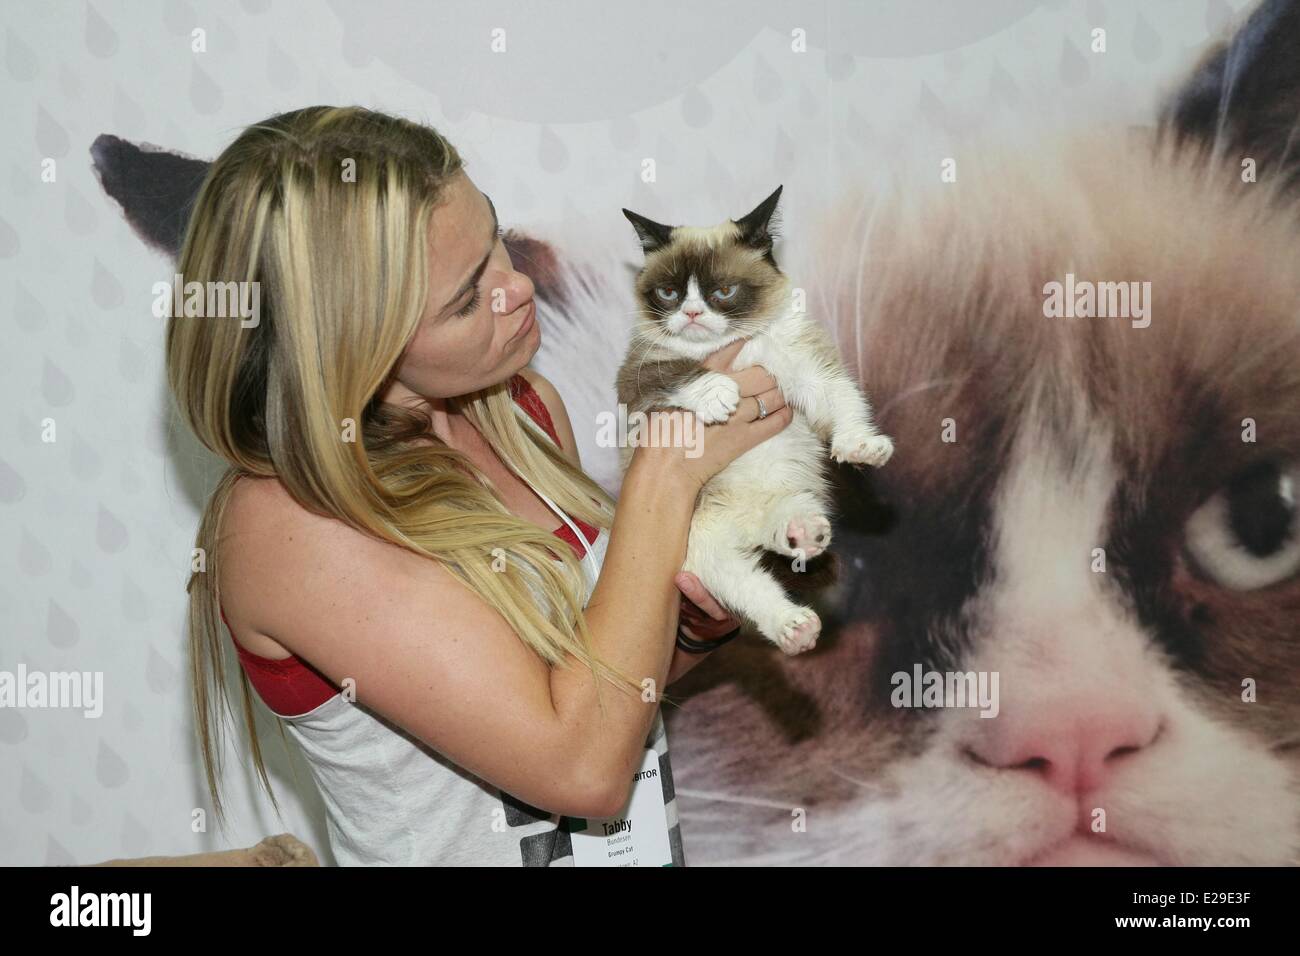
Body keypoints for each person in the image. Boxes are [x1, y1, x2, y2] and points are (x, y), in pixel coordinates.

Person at [166, 105, 793, 865]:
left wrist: (694, 628)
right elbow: (582, 769)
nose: (517, 286)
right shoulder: (286, 527)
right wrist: (664, 476)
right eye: (467, 299)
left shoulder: (519, 412)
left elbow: (597, 691)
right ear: (350, 349)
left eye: (496, 236)